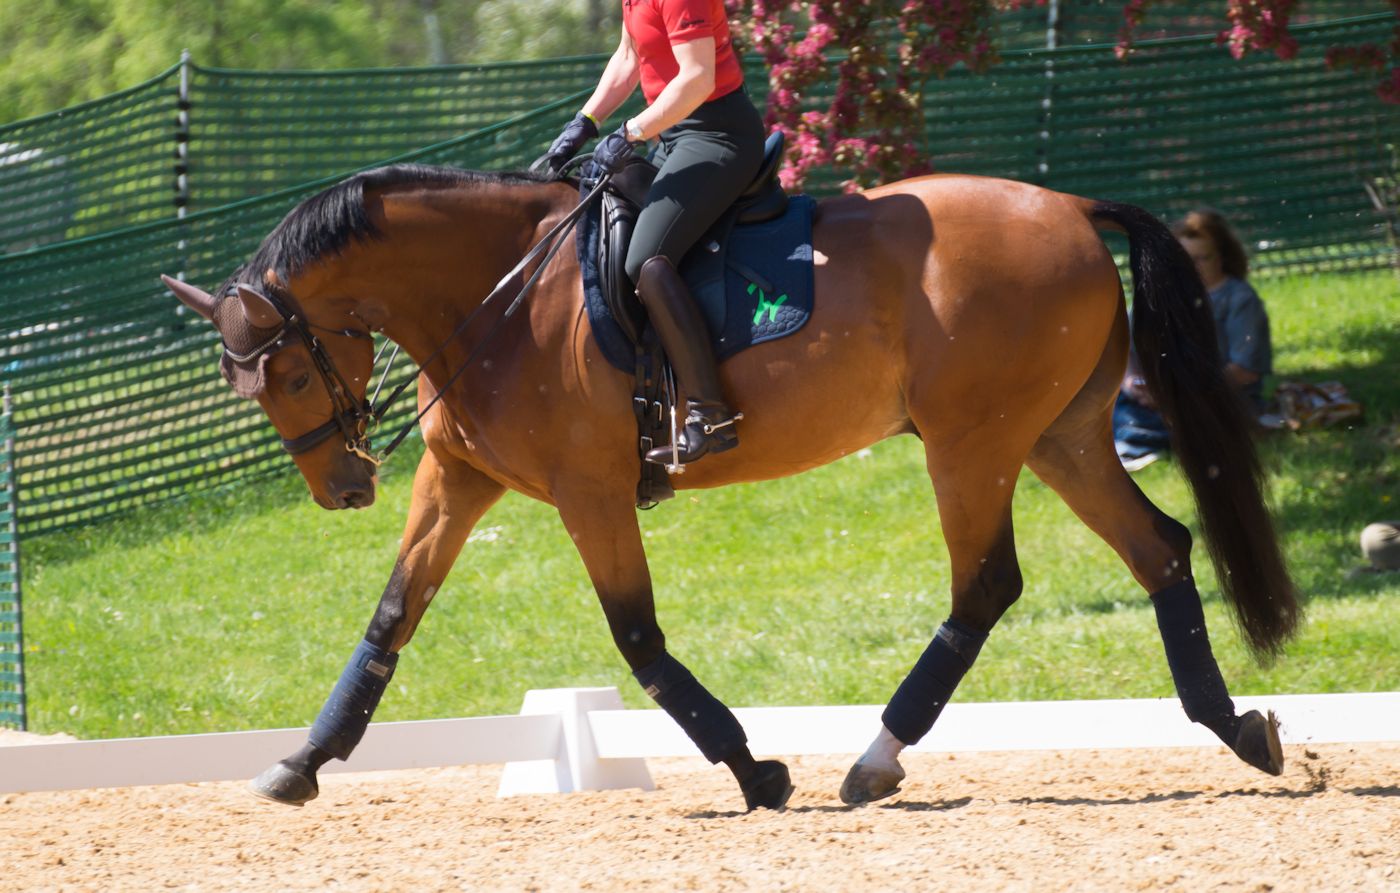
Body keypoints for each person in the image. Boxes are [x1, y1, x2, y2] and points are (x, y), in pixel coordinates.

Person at [541, 0, 765, 468]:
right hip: (672, 134)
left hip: (718, 135)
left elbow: (697, 77)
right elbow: (628, 56)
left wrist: (629, 132)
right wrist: (583, 123)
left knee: (645, 258)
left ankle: (710, 414)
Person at [1114, 208, 1274, 471]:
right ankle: (1143, 439)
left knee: (1209, 420)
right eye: (1186, 259)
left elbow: (1245, 371)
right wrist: (1133, 383)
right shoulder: (1160, 294)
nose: (1194, 267)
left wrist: (1183, 394)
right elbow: (1125, 349)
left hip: (1216, 395)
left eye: (1203, 258)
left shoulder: (1239, 299)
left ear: (1222, 256)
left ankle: (1143, 441)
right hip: (1160, 396)